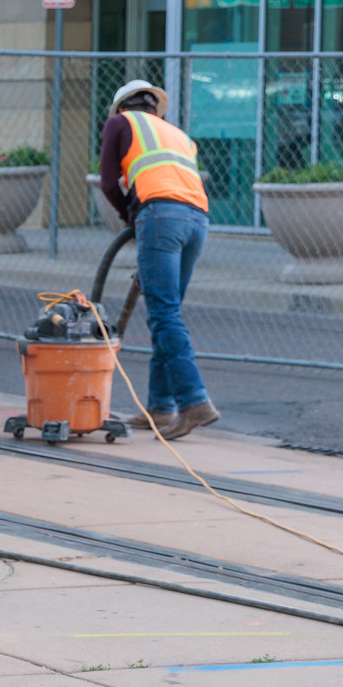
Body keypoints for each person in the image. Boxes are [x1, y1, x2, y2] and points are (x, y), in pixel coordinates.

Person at [98, 79, 218, 440]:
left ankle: (194, 402)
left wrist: (129, 217)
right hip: (197, 220)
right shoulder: (179, 134)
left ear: (122, 106)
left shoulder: (120, 123)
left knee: (164, 313)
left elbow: (107, 183)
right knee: (168, 312)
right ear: (154, 107)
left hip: (160, 216)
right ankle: (161, 407)